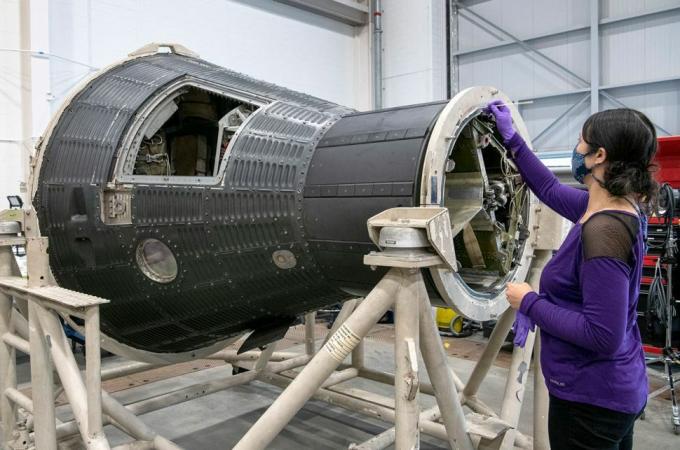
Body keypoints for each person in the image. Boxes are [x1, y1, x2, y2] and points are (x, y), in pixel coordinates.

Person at [486, 100, 657, 450]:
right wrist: (513, 140)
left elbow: (601, 334)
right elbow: (548, 189)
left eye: (581, 142)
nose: (576, 150)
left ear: (599, 156)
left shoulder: (604, 231)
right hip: (612, 390)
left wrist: (529, 303)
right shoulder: (608, 208)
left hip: (591, 402)